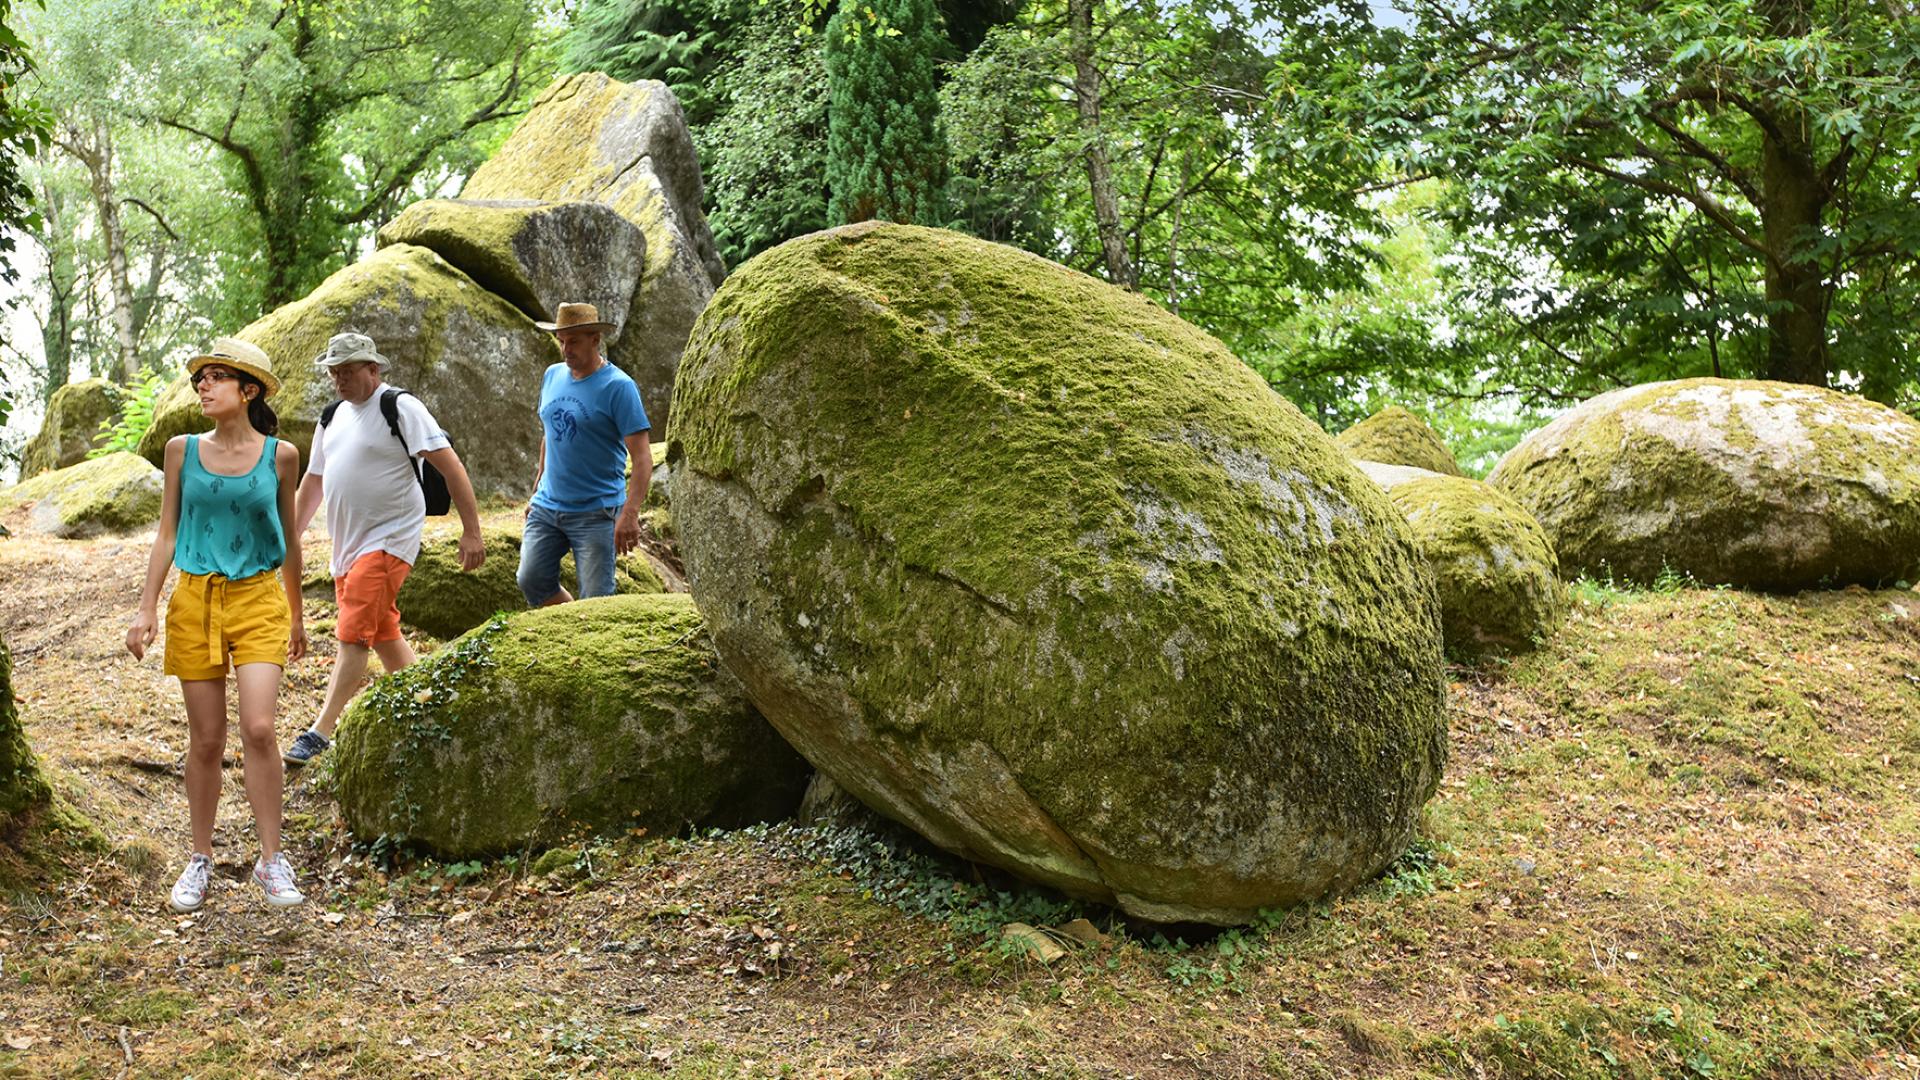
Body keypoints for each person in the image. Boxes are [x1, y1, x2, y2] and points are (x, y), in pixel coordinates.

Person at [126, 337, 308, 912]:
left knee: (258, 728)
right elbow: (165, 533)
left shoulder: (282, 457)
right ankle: (199, 857)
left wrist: (298, 613)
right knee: (205, 739)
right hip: (195, 598)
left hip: (258, 598)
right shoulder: (180, 450)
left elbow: (292, 541)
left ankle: (271, 860)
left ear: (247, 390)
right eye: (199, 377)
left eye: (215, 377)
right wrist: (146, 606)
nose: (202, 385)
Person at [281, 332, 486, 768]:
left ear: (373, 369)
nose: (339, 379)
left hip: (390, 538)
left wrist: (472, 530)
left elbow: (449, 465)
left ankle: (320, 732)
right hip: (347, 544)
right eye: (334, 372)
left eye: (348, 371)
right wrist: (292, 534)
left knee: (354, 632)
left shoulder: (400, 407)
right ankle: (430, 708)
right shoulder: (331, 416)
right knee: (383, 633)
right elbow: (314, 481)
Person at [517, 302, 651, 606]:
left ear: (595, 339)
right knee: (531, 579)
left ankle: (588, 640)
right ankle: (572, 631)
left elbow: (642, 457)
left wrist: (629, 514)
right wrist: (536, 491)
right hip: (547, 507)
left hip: (597, 512)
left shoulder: (619, 387)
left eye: (573, 341)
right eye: (561, 340)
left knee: (596, 601)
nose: (565, 349)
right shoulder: (552, 375)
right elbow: (548, 435)